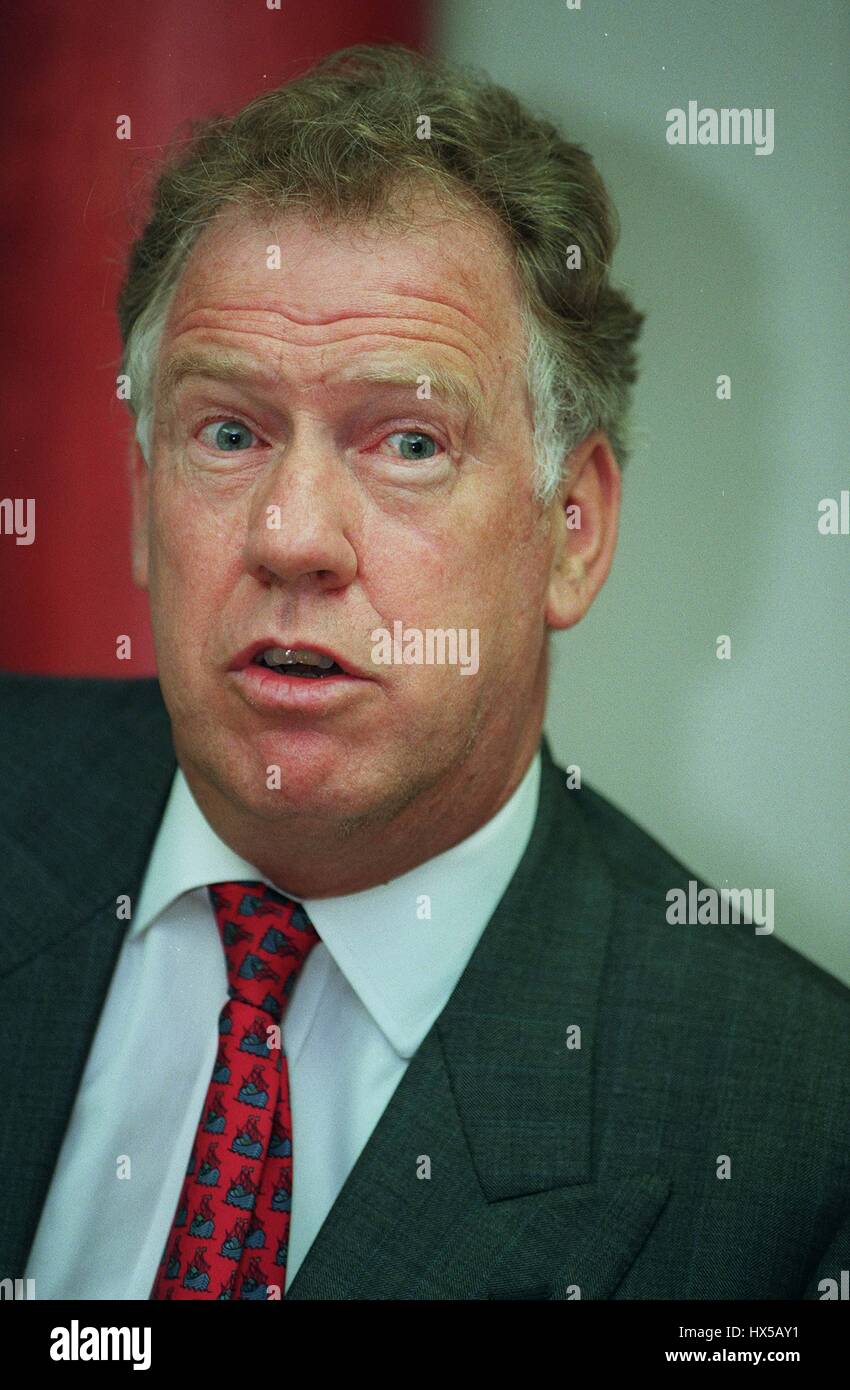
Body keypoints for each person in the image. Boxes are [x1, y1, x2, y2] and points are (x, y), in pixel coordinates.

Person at [2, 44, 847, 1302]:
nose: (290, 533)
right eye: (226, 432)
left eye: (407, 441)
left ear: (573, 529)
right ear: (141, 501)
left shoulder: (793, 1129)